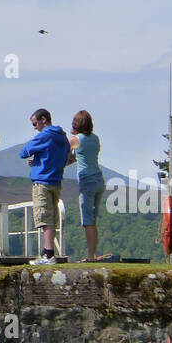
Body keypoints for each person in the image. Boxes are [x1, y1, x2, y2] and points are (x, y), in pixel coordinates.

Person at [19, 108, 68, 265]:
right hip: (56, 180)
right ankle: (47, 252)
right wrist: (39, 160)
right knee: (52, 218)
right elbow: (60, 156)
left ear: (43, 120)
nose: (34, 127)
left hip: (42, 181)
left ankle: (48, 254)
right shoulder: (62, 136)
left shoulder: (45, 135)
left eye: (35, 123)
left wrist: (35, 157)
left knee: (44, 218)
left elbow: (24, 151)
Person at [68, 110, 108, 261]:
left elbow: (67, 157)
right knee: (93, 219)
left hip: (87, 181)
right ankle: (93, 254)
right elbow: (82, 156)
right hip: (99, 179)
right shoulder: (95, 138)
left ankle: (91, 256)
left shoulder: (75, 139)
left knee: (87, 221)